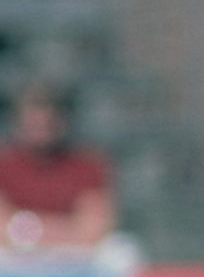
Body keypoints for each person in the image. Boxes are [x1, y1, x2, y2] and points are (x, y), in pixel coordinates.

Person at [0, 81, 118, 261]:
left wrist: (29, 230)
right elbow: (2, 229)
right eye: (34, 123)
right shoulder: (4, 164)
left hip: (76, 257)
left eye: (48, 123)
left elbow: (94, 228)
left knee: (119, 253)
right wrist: (63, 229)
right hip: (14, 259)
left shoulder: (88, 165)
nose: (42, 131)